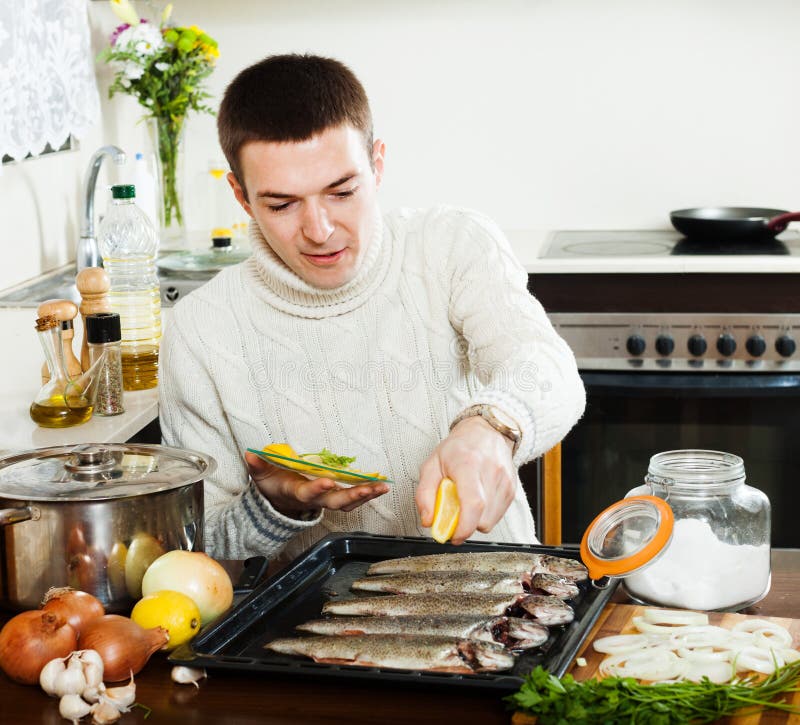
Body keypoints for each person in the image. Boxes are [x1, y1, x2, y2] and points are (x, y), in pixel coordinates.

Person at [159, 53, 585, 560]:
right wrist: (275, 504)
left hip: (500, 592)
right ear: (242, 196)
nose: (319, 230)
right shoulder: (199, 330)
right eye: (282, 204)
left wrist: (491, 426)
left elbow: (548, 368)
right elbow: (194, 543)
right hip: (325, 625)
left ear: (377, 164)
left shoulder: (450, 245)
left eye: (341, 192)